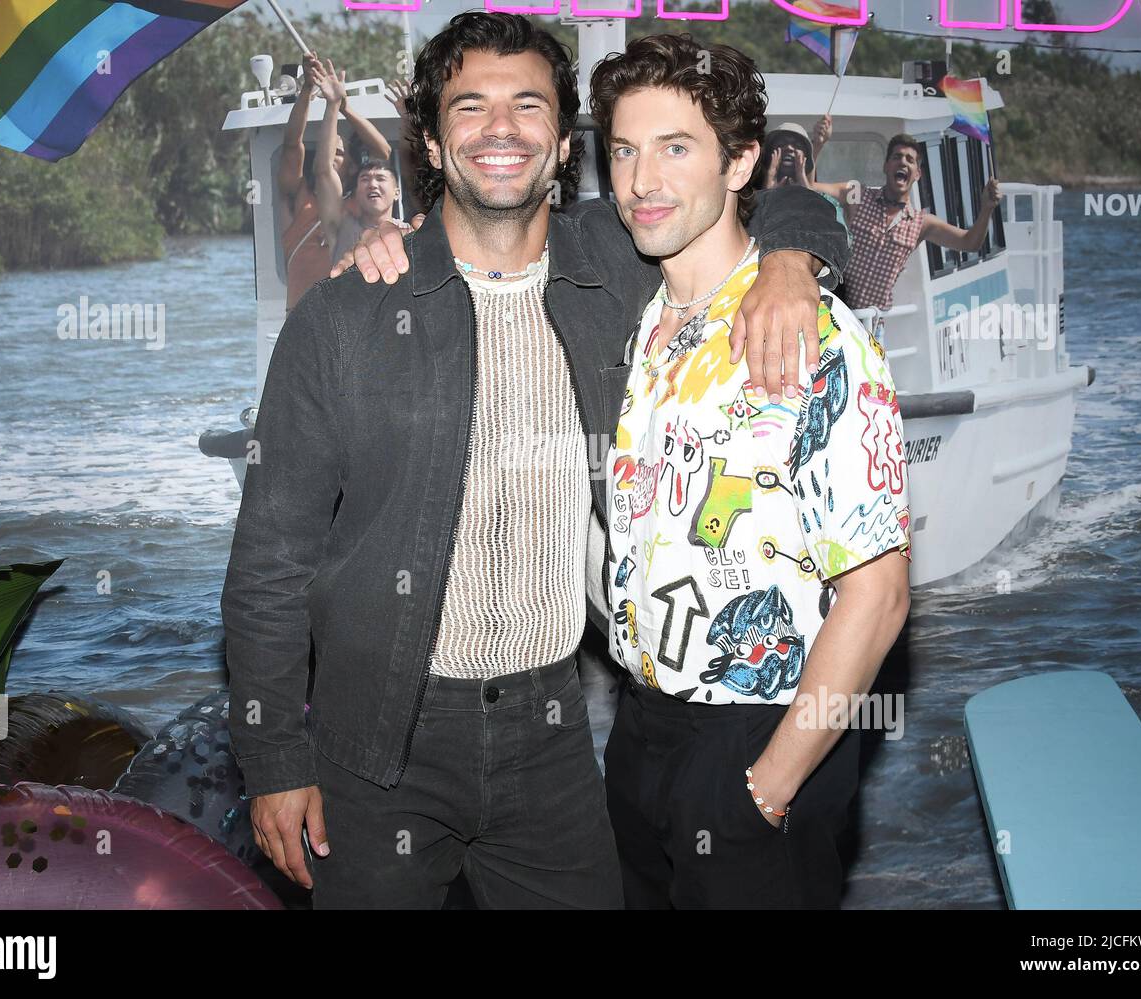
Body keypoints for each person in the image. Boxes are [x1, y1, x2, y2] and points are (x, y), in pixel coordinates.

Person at [222, 11, 849, 910]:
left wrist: (791, 259)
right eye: (470, 107)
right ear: (432, 144)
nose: (501, 128)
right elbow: (269, 563)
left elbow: (774, 200)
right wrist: (274, 757)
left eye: (528, 105)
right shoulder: (347, 314)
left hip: (551, 738)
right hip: (374, 747)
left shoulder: (619, 262)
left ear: (564, 146)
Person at [588, 33, 911, 909]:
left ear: (740, 163)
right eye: (624, 151)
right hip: (639, 727)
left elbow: (878, 596)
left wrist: (769, 785)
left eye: (676, 148)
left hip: (756, 742)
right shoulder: (643, 324)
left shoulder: (816, 335)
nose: (642, 181)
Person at [811, 118, 1002, 313]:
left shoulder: (922, 224)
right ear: (886, 166)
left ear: (917, 174)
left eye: (910, 160)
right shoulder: (857, 195)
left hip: (872, 325)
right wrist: (818, 145)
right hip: (836, 313)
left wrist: (986, 208)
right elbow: (809, 188)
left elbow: (970, 243)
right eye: (897, 157)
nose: (903, 162)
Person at [278, 52, 391, 311]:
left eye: (338, 152)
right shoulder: (299, 196)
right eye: (325, 150)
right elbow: (292, 143)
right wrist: (307, 89)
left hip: (349, 316)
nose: (328, 155)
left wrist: (344, 107)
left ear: (352, 166)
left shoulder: (363, 199)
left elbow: (383, 153)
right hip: (301, 317)